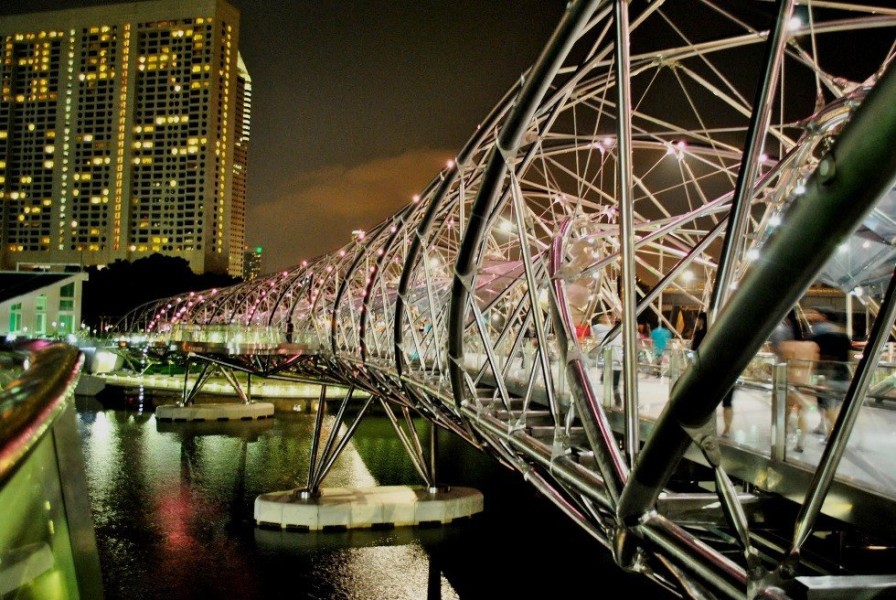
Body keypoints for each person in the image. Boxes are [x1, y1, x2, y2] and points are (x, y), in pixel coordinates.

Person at [769, 311, 818, 453]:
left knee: (783, 412)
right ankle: (800, 443)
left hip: (789, 382)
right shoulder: (812, 346)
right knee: (802, 414)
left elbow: (783, 363)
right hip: (806, 382)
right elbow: (814, 365)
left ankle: (781, 437)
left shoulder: (786, 346)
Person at [806, 308, 852, 440]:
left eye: (815, 313)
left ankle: (833, 434)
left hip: (825, 375)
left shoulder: (818, 335)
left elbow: (813, 355)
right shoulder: (844, 335)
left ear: (824, 316)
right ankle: (824, 427)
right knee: (834, 405)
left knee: (826, 405)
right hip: (843, 375)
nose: (811, 315)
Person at [690, 311, 734, 437]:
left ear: (702, 320)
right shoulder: (725, 335)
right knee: (727, 403)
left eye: (697, 319)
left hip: (709, 372)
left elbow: (694, 353)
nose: (695, 322)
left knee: (707, 402)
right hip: (728, 372)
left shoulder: (700, 335)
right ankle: (727, 429)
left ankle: (706, 428)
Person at [592, 315, 623, 405]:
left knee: (608, 370)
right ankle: (617, 398)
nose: (612, 320)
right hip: (616, 358)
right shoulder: (613, 332)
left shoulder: (599, 331)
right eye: (610, 319)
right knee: (615, 382)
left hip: (607, 358)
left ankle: (603, 379)